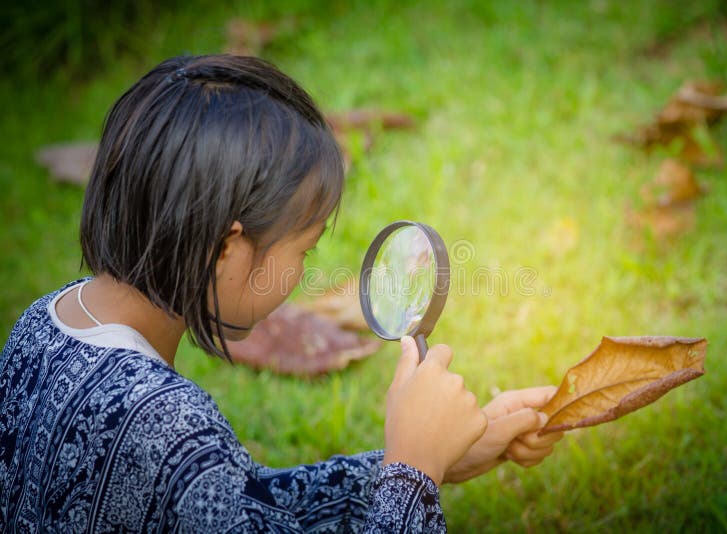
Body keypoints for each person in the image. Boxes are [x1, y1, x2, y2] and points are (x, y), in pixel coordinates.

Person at [0, 55, 563, 532]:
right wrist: (413, 474)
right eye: (305, 250)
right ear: (227, 248)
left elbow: (239, 506)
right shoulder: (167, 424)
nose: (302, 273)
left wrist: (428, 458)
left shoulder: (44, 323)